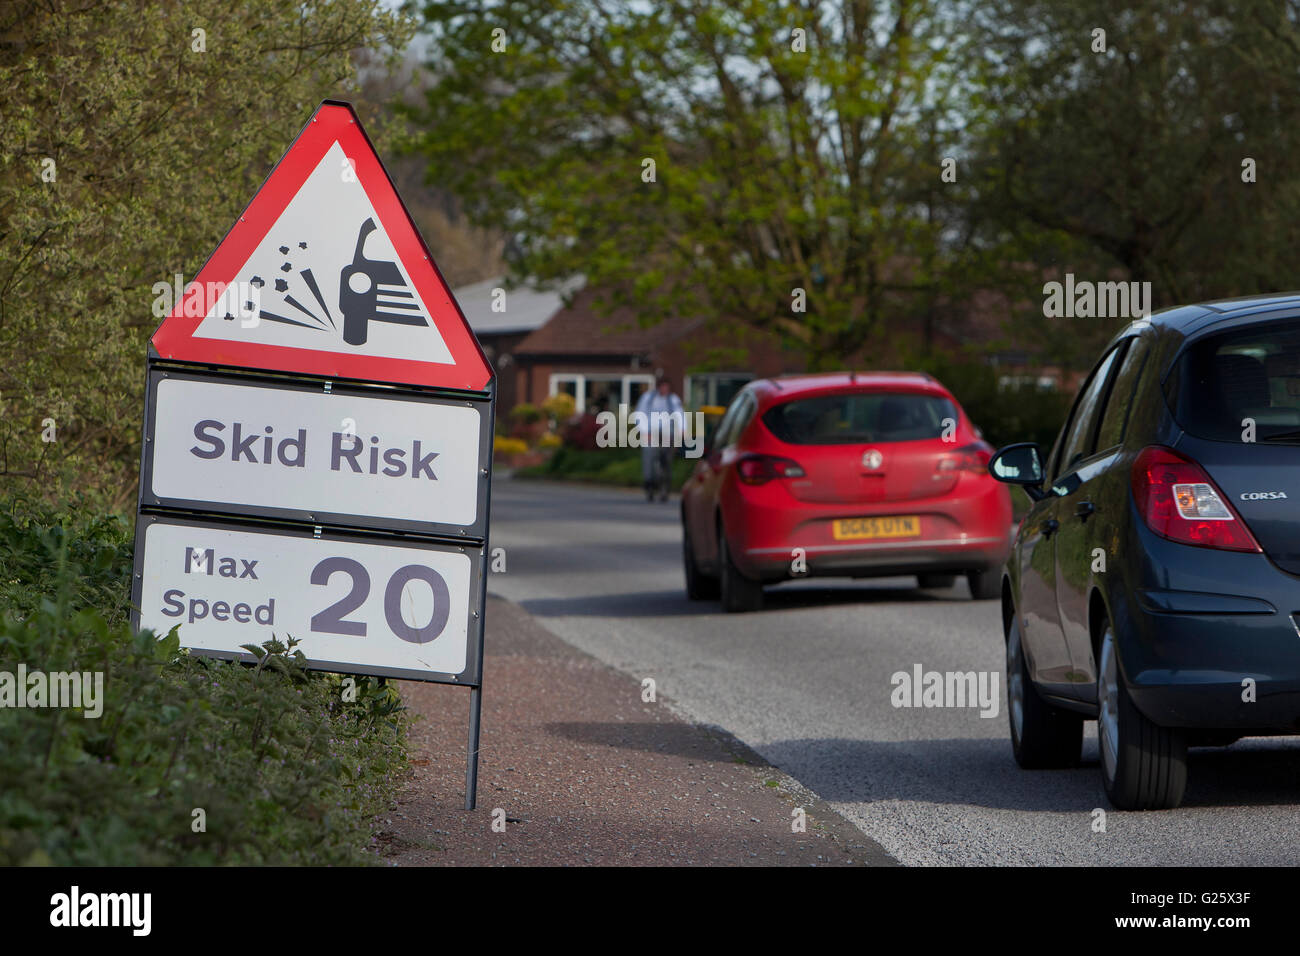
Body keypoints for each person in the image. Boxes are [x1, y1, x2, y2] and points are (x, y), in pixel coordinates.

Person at [635, 377, 685, 502]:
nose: (664, 389)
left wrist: (682, 429)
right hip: (651, 433)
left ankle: (665, 485)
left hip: (667, 433)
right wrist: (645, 431)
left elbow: (680, 414)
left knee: (667, 461)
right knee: (649, 457)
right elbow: (640, 414)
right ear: (658, 387)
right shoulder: (648, 398)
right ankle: (649, 483)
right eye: (662, 387)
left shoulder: (673, 400)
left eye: (666, 387)